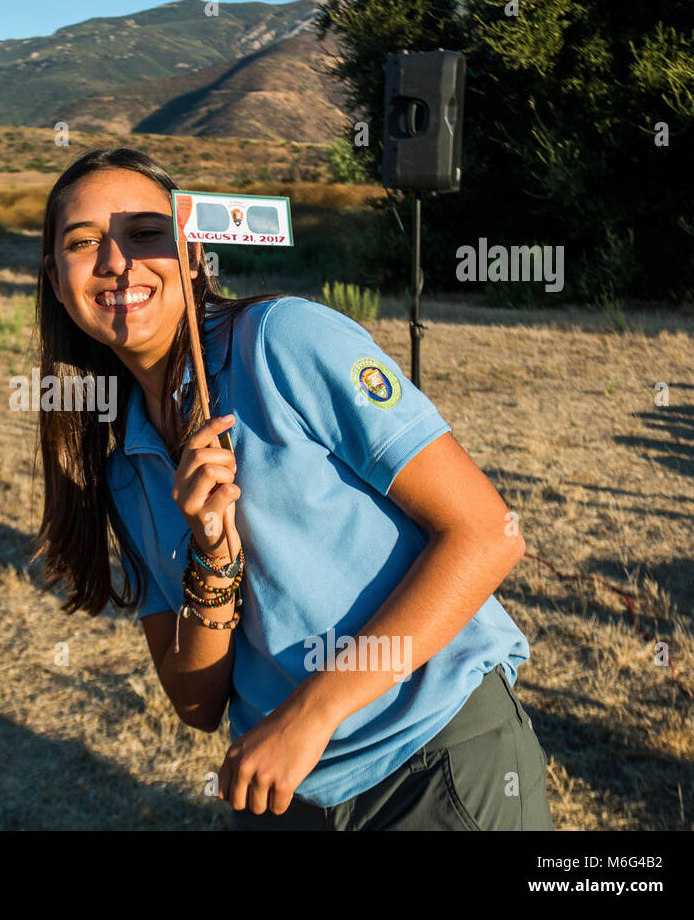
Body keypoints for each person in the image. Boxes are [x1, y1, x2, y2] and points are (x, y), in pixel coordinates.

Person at [32, 147, 554, 830]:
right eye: (82, 242)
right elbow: (196, 703)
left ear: (192, 256)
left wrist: (311, 716)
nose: (117, 259)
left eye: (145, 233)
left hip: (436, 757)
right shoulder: (122, 465)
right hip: (285, 791)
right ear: (56, 281)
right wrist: (212, 556)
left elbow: (486, 534)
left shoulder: (283, 339)